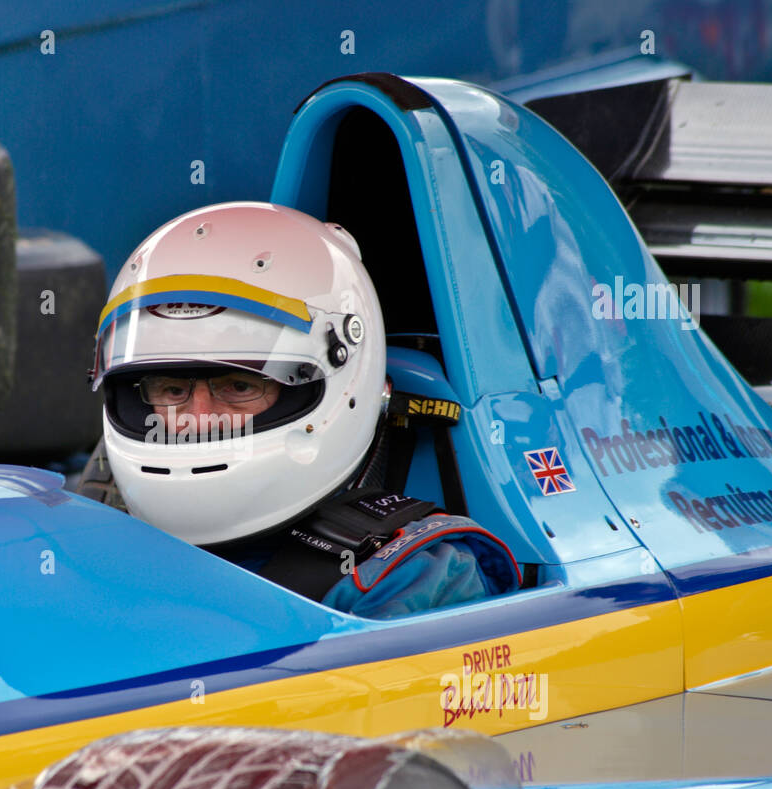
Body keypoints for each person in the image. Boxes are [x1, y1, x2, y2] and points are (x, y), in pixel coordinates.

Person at [81, 201, 520, 618]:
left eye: (238, 386)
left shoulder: (411, 581)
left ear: (342, 385)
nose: (197, 420)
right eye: (171, 388)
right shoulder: (83, 535)